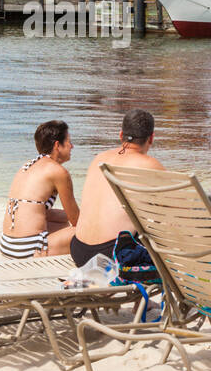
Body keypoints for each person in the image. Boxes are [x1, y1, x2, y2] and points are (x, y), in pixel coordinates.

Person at [70, 109, 164, 267]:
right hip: (111, 256)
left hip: (78, 250)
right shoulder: (150, 165)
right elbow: (176, 210)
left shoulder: (98, 159)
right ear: (151, 138)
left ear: (121, 135)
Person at [0, 120, 81, 258]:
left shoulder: (28, 165)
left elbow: (41, 212)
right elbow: (76, 220)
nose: (72, 146)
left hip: (8, 245)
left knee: (63, 222)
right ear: (57, 145)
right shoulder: (58, 171)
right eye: (69, 142)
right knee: (89, 231)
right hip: (29, 248)